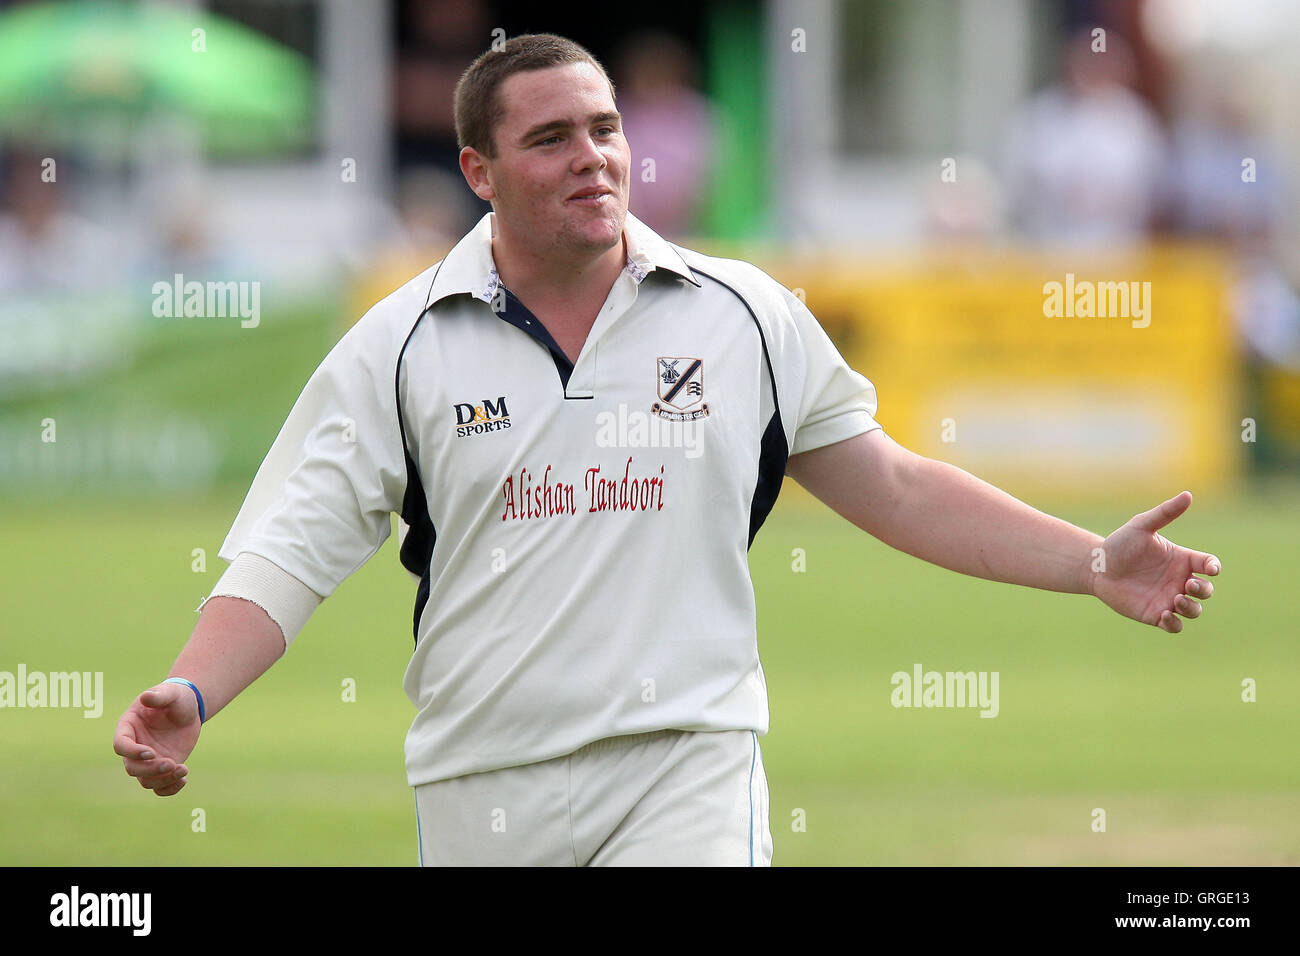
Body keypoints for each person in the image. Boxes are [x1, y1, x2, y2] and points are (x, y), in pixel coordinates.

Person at [113, 34, 1221, 866]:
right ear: (478, 170)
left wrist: (1088, 559)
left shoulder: (741, 311)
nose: (592, 156)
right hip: (480, 780)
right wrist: (193, 692)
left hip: (687, 760)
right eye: (550, 138)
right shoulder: (396, 346)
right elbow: (288, 554)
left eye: (604, 129)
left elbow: (890, 482)